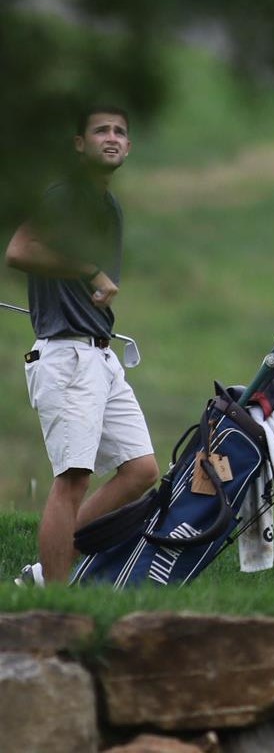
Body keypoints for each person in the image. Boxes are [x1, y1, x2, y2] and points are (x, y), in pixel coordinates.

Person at [8, 106, 157, 586]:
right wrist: (88, 269)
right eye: (101, 131)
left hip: (100, 355)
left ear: (128, 147)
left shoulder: (105, 203)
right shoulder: (67, 194)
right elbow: (20, 249)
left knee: (140, 469)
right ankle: (54, 598)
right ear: (80, 144)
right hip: (67, 357)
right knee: (73, 479)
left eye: (120, 132)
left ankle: (53, 558)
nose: (111, 138)